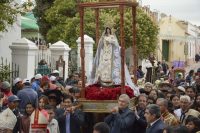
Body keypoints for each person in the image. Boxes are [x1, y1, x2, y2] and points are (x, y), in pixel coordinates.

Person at [89, 27, 139, 96]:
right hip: (105, 54)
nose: (108, 31)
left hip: (111, 53)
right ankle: (102, 80)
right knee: (104, 66)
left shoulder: (112, 37)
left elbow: (116, 44)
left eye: (109, 30)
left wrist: (111, 41)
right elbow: (100, 47)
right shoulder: (103, 37)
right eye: (107, 30)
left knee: (111, 66)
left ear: (110, 31)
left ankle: (112, 79)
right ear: (106, 31)